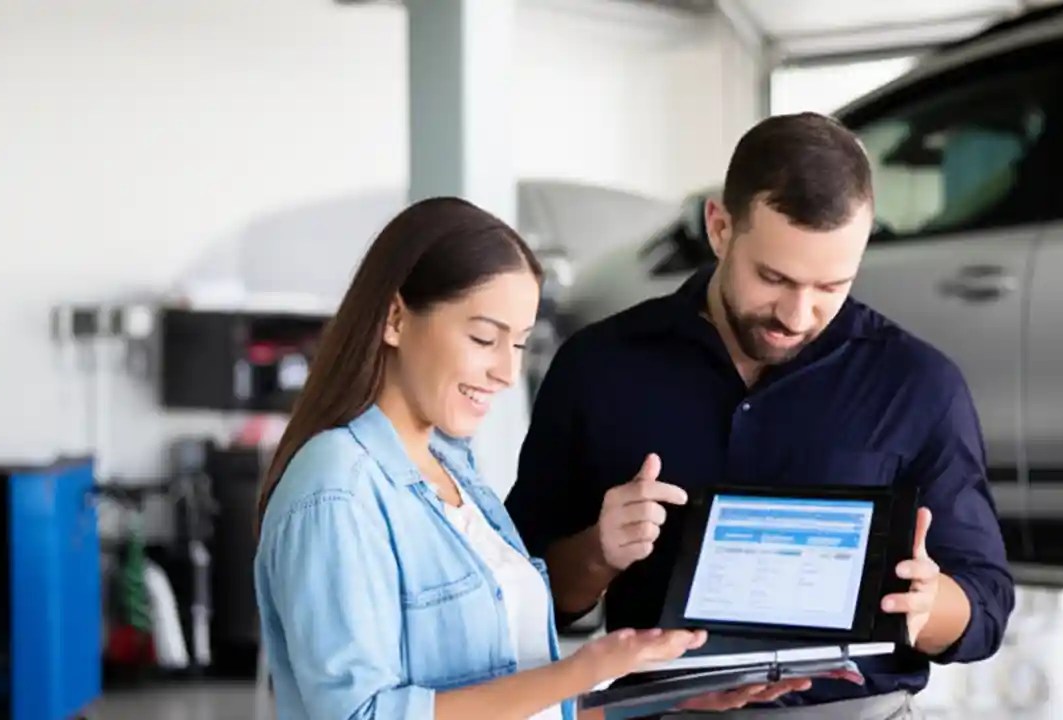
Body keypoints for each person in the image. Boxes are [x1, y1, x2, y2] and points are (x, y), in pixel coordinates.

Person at [505, 113, 1015, 718]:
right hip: (657, 711)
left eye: (831, 285)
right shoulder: (599, 368)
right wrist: (599, 551)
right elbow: (519, 599)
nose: (798, 315)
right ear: (719, 227)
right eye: (773, 278)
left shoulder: (920, 386)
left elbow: (985, 609)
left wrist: (930, 605)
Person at [253, 197, 707, 720]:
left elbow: (517, 706)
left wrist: (676, 699)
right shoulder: (337, 487)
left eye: (517, 345)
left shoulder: (456, 472)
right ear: (396, 318)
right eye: (483, 338)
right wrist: (578, 670)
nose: (506, 373)